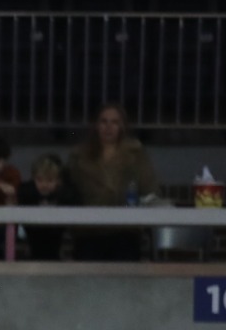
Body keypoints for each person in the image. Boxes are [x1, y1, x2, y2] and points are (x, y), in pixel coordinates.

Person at [67, 102, 160, 262]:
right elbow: (68, 191)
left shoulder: (136, 154)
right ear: (96, 125)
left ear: (122, 126)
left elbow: (149, 189)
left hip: (125, 231)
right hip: (89, 231)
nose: (108, 127)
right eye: (104, 121)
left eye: (115, 122)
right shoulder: (78, 156)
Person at [17, 153, 79, 262]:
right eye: (40, 180)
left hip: (55, 247)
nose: (44, 184)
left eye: (49, 180)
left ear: (58, 181)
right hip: (33, 246)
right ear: (33, 179)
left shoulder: (66, 195)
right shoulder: (26, 193)